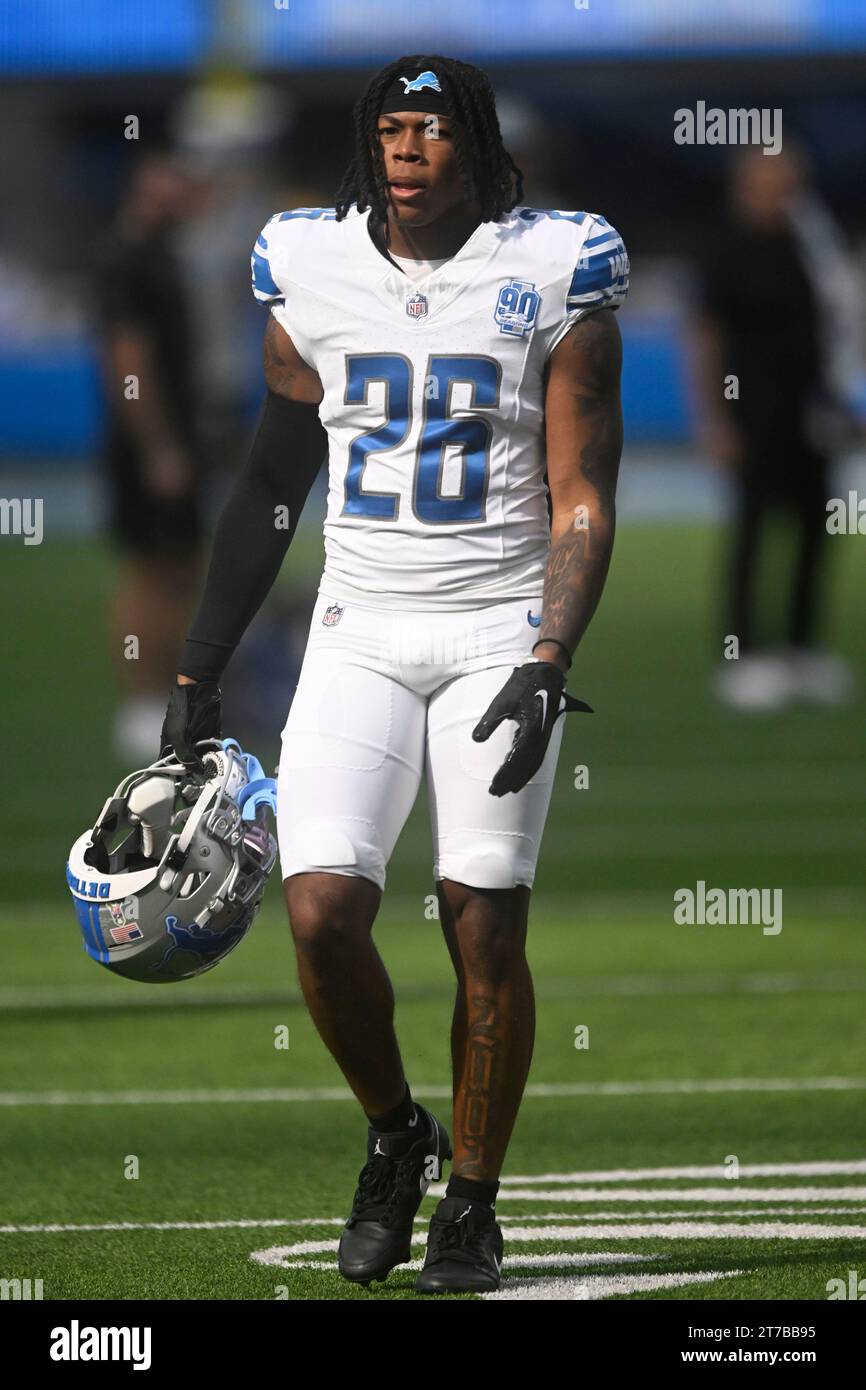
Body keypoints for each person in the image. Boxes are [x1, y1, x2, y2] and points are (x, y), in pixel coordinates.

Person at [161, 54, 627, 1294]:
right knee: (318, 912)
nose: (405, 148)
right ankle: (393, 1135)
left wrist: (547, 651)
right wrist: (200, 668)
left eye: (428, 127)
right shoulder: (307, 264)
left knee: (482, 918)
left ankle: (470, 1204)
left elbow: (582, 487)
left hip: (495, 634)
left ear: (473, 143)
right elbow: (270, 482)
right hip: (357, 628)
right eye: (388, 127)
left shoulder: (554, 266)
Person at [693, 145, 855, 711]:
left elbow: (836, 326)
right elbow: (705, 339)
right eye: (765, 185)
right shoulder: (727, 252)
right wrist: (715, 419)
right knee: (752, 533)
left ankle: (802, 650)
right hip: (752, 417)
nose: (777, 196)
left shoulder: (813, 248)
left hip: (811, 417)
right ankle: (744, 656)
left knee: (815, 531)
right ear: (744, 189)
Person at [96, 151, 204, 761]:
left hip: (173, 437)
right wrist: (158, 445)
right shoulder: (129, 261)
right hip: (148, 443)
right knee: (149, 574)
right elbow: (128, 358)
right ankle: (139, 703)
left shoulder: (162, 257)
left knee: (180, 570)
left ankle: (164, 697)